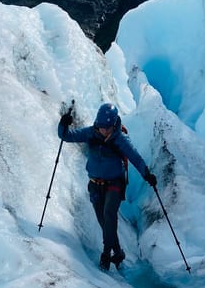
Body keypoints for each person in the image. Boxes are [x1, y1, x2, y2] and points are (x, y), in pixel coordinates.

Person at [58, 102, 157, 270]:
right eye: (101, 126)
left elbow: (135, 157)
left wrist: (147, 175)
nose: (103, 130)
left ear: (113, 124)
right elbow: (66, 136)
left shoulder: (120, 139)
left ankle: (106, 253)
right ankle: (118, 251)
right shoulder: (91, 133)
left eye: (106, 127)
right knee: (104, 222)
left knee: (109, 214)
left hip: (115, 184)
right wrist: (63, 123)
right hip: (95, 184)